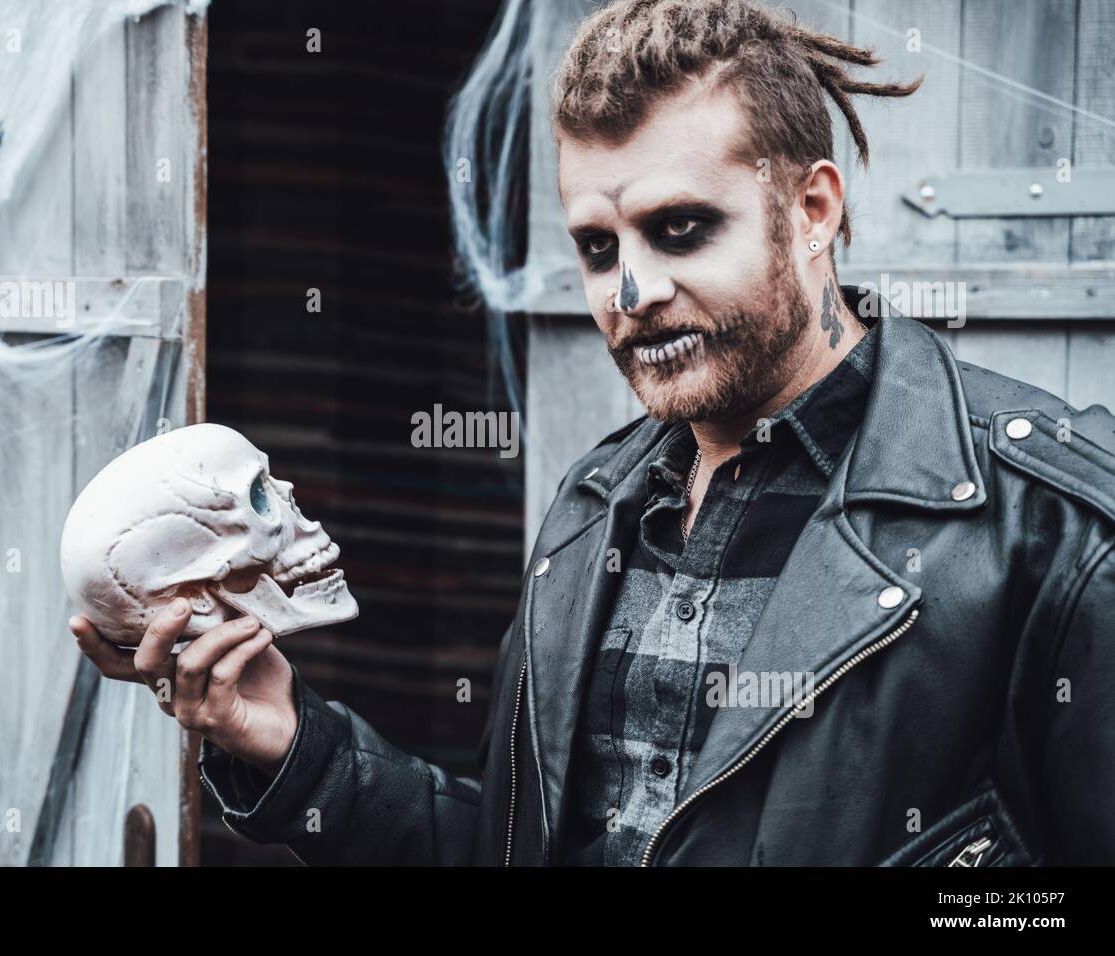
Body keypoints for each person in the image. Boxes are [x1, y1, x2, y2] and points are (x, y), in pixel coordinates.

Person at [72, 0, 1115, 865]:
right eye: (594, 243)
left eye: (680, 228)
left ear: (811, 209)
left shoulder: (1048, 530)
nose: (632, 290)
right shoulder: (595, 510)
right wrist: (290, 740)